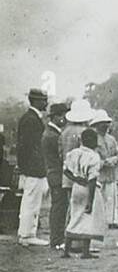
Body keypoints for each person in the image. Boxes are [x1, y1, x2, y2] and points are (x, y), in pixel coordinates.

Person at [63, 128, 107, 258]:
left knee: (74, 216)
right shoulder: (94, 156)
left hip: (76, 187)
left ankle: (66, 250)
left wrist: (77, 179)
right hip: (88, 189)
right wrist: (90, 200)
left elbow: (65, 171)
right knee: (88, 220)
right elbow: (92, 179)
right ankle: (85, 252)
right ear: (94, 142)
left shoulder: (73, 153)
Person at [16, 88, 50, 246]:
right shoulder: (31, 119)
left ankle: (27, 232)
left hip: (31, 167)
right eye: (44, 100)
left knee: (31, 200)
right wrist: (36, 166)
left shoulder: (30, 118)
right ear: (36, 101)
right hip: (33, 168)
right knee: (31, 201)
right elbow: (30, 146)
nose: (46, 102)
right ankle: (27, 234)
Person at [42, 102, 70, 251]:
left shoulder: (51, 133)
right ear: (57, 117)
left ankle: (57, 238)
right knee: (59, 207)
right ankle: (57, 239)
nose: (65, 119)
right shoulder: (53, 135)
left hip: (53, 174)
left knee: (59, 206)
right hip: (56, 174)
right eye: (63, 115)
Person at [90, 110, 118, 229]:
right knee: (97, 199)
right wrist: (103, 162)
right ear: (97, 124)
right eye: (102, 123)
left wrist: (114, 160)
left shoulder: (111, 139)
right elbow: (91, 156)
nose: (105, 125)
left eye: (107, 123)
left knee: (111, 198)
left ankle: (112, 221)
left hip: (110, 173)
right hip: (99, 173)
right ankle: (97, 221)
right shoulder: (93, 138)